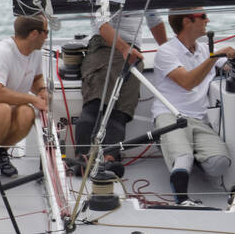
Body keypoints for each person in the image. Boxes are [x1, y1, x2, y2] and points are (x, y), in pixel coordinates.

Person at [152, 9, 235, 200]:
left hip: (199, 119)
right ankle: (182, 200)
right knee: (183, 158)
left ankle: (189, 153)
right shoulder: (166, 52)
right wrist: (214, 58)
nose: (208, 20)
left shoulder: (206, 50)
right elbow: (188, 82)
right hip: (170, 115)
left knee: (220, 163)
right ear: (187, 21)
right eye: (203, 17)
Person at [71, 9, 167, 170]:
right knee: (94, 106)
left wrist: (169, 51)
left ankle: (110, 159)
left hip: (132, 53)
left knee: (121, 114)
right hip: (104, 47)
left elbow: (153, 19)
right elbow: (101, 22)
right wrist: (123, 49)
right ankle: (83, 159)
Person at [0, 13, 49, 178]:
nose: (47, 37)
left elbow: (36, 78)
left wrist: (42, 90)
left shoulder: (35, 52)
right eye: (46, 32)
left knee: (27, 113)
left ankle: (1, 154)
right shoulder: (2, 52)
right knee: (2, 109)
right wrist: (33, 98)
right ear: (34, 34)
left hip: (8, 114)